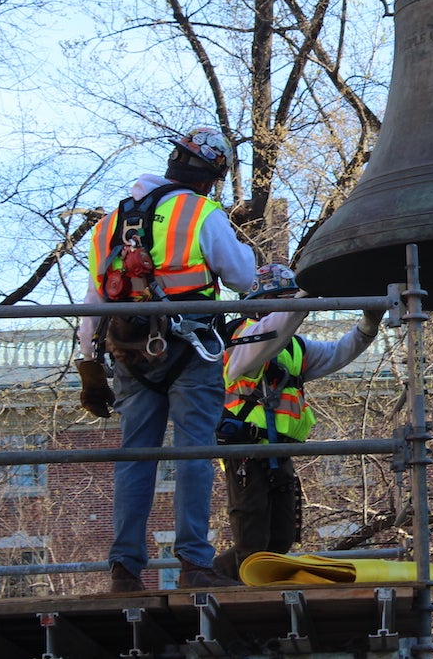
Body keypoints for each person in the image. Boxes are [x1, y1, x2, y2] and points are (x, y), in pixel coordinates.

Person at [76, 126, 256, 593]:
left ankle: (124, 570)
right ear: (211, 175)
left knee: (136, 459)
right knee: (194, 453)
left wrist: (88, 367)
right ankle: (194, 566)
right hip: (190, 351)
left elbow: (93, 303)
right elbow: (242, 278)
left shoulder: (109, 224)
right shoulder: (199, 213)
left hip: (129, 357)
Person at [211, 263, 386, 580]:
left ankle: (231, 576)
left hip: (279, 453)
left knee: (280, 538)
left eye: (293, 299)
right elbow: (273, 331)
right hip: (246, 451)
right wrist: (306, 294)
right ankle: (225, 581)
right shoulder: (242, 341)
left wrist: (367, 328)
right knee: (253, 539)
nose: (294, 307)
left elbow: (336, 353)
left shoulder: (294, 347)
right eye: (286, 299)